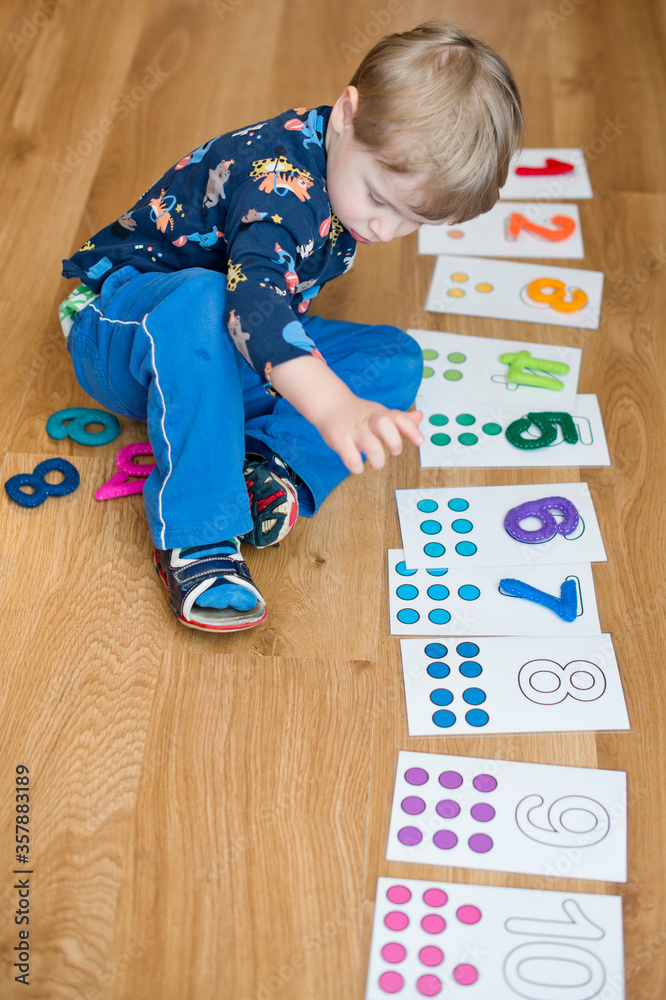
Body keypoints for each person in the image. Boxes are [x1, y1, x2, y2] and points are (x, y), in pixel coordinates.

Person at [59, 21, 523, 633]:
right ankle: (200, 539)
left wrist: (345, 399)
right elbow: (253, 307)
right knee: (202, 296)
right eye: (380, 200)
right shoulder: (277, 184)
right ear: (348, 115)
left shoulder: (347, 160)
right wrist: (333, 407)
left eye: (412, 221)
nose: (384, 230)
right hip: (123, 334)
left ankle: (265, 466)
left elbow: (266, 318)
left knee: (396, 357)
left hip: (232, 355)